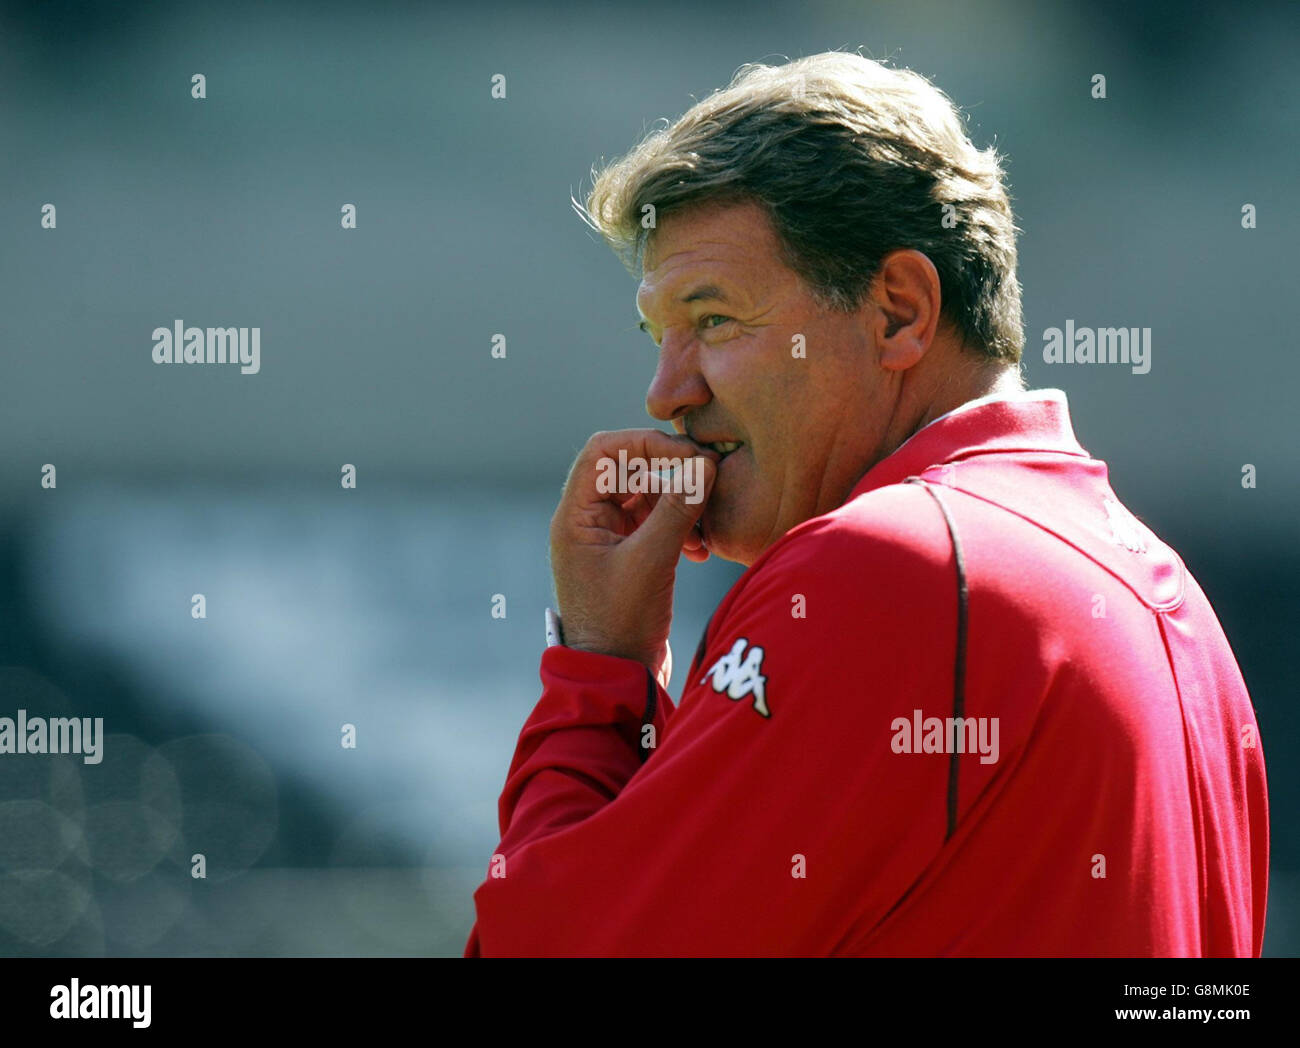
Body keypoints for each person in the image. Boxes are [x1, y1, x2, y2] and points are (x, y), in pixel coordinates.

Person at [464, 51, 1268, 956]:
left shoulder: (885, 568)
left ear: (898, 312)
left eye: (715, 319)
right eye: (660, 334)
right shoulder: (1173, 602)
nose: (666, 392)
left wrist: (598, 669)